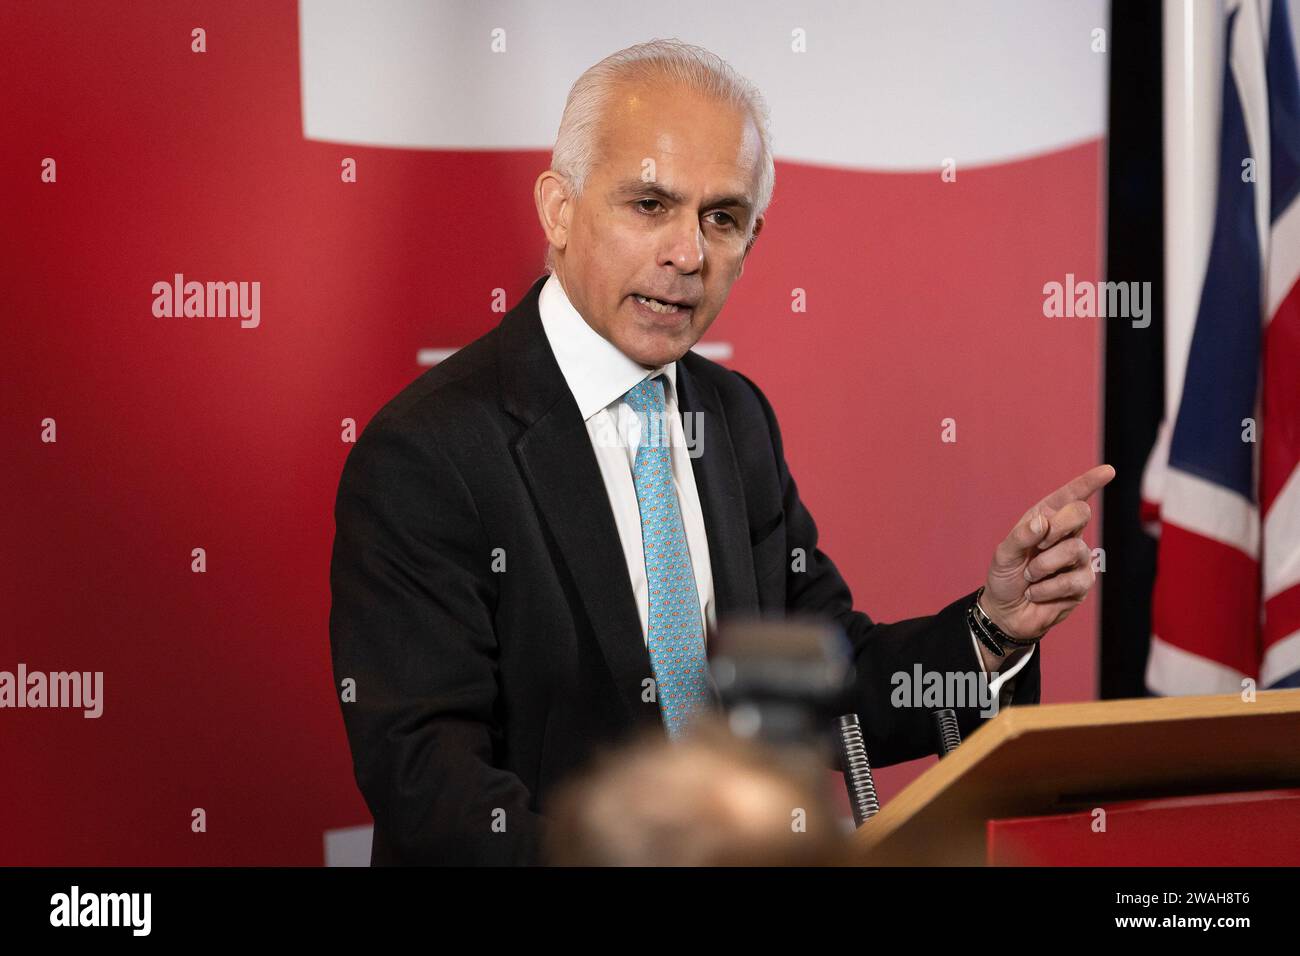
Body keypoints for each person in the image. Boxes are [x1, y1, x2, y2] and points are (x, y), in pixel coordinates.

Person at [328, 38, 1113, 865]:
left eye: (722, 219)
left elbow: (821, 678)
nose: (688, 254)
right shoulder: (428, 451)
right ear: (559, 210)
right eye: (648, 205)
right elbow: (428, 782)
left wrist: (991, 630)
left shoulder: (733, 417)